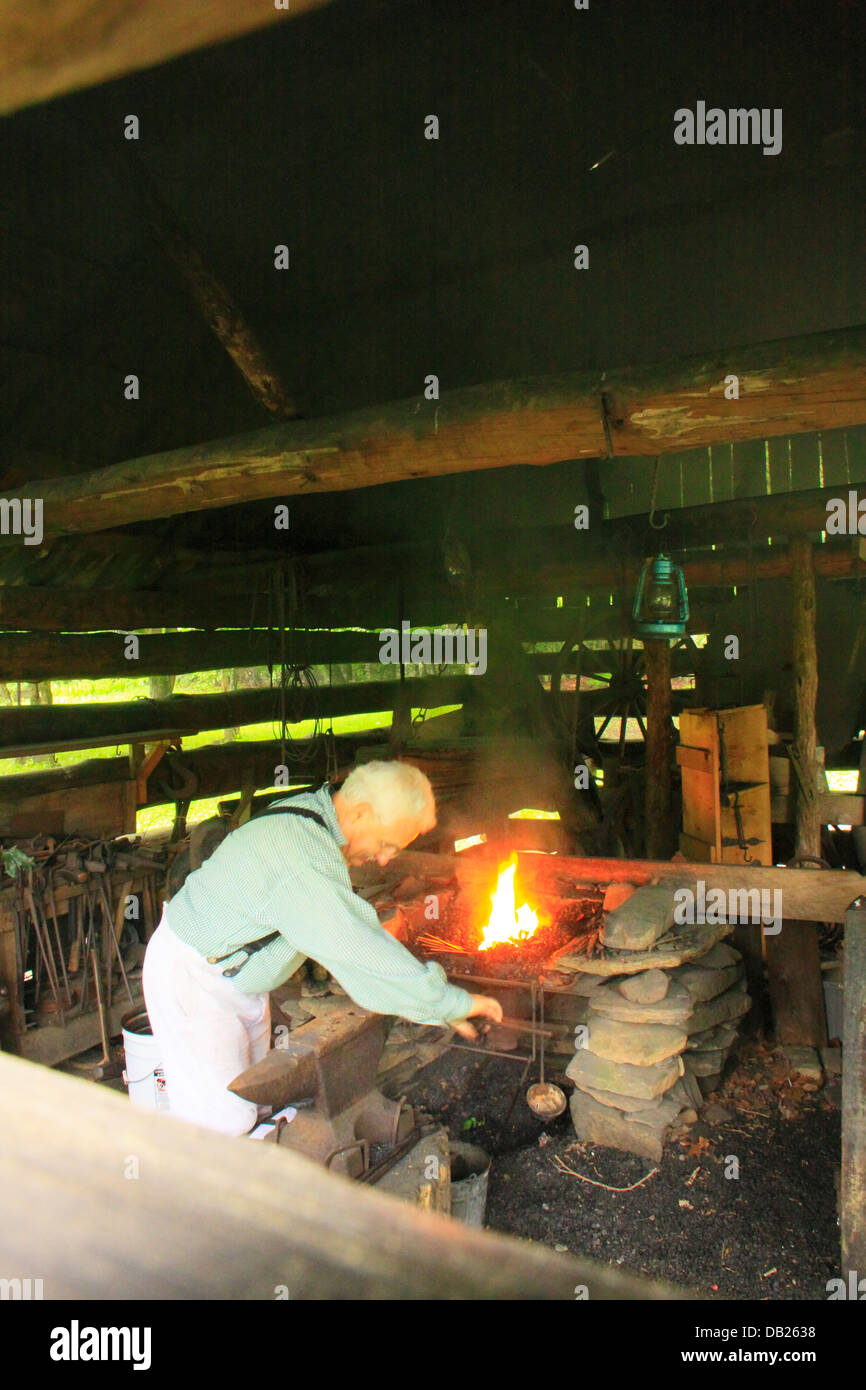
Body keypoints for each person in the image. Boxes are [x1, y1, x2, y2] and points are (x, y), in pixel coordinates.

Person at [143, 760, 502, 1134]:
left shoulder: (313, 816)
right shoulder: (302, 856)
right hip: (195, 979)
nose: (382, 860)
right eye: (386, 845)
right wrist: (445, 1002)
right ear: (361, 813)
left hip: (230, 975)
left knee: (254, 1105)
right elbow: (359, 947)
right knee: (221, 1126)